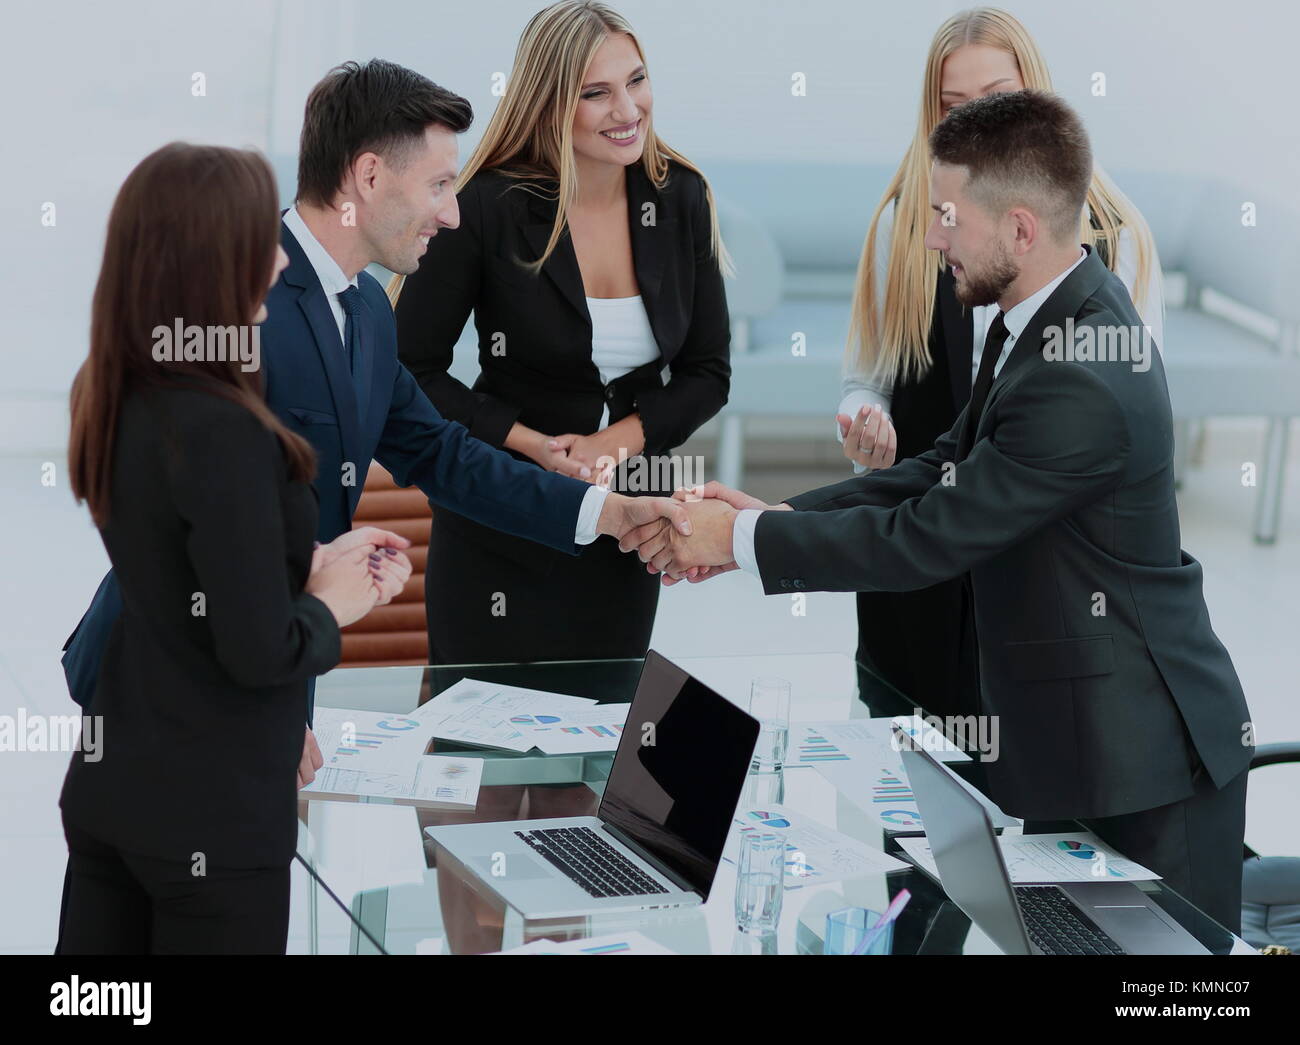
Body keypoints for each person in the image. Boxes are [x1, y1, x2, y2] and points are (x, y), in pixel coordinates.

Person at [54, 56, 692, 953]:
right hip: (185, 700)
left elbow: (439, 453)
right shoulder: (244, 306)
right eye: (437, 182)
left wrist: (600, 513)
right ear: (367, 176)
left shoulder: (369, 311)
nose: (452, 210)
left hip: (238, 692)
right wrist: (266, 706)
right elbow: (189, 536)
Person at [629, 91, 1252, 935]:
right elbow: (941, 469)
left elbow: (928, 539)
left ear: (1022, 230)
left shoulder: (1078, 376)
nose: (928, 239)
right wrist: (773, 512)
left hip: (1143, 765)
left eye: (947, 217)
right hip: (1078, 737)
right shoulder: (1033, 320)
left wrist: (741, 541)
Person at [59, 144, 409, 953]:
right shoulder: (226, 429)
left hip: (114, 790)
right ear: (215, 260)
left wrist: (304, 561)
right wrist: (333, 602)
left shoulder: (117, 393)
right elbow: (260, 650)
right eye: (264, 238)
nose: (281, 257)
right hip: (212, 819)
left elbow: (181, 568)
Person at [835, 7, 1164, 719]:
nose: (978, 121)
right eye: (955, 106)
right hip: (921, 583)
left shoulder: (1117, 238)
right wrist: (867, 423)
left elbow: (1135, 421)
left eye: (997, 98)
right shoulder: (907, 225)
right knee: (913, 792)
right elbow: (869, 377)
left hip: (1054, 588)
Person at [393, 0, 730, 664]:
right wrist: (534, 443)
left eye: (636, 80)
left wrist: (609, 444)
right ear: (551, 104)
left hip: (624, 522)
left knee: (599, 749)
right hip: (501, 516)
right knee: (484, 756)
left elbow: (708, 373)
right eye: (596, 93)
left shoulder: (680, 196)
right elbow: (410, 367)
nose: (628, 109)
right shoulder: (488, 205)